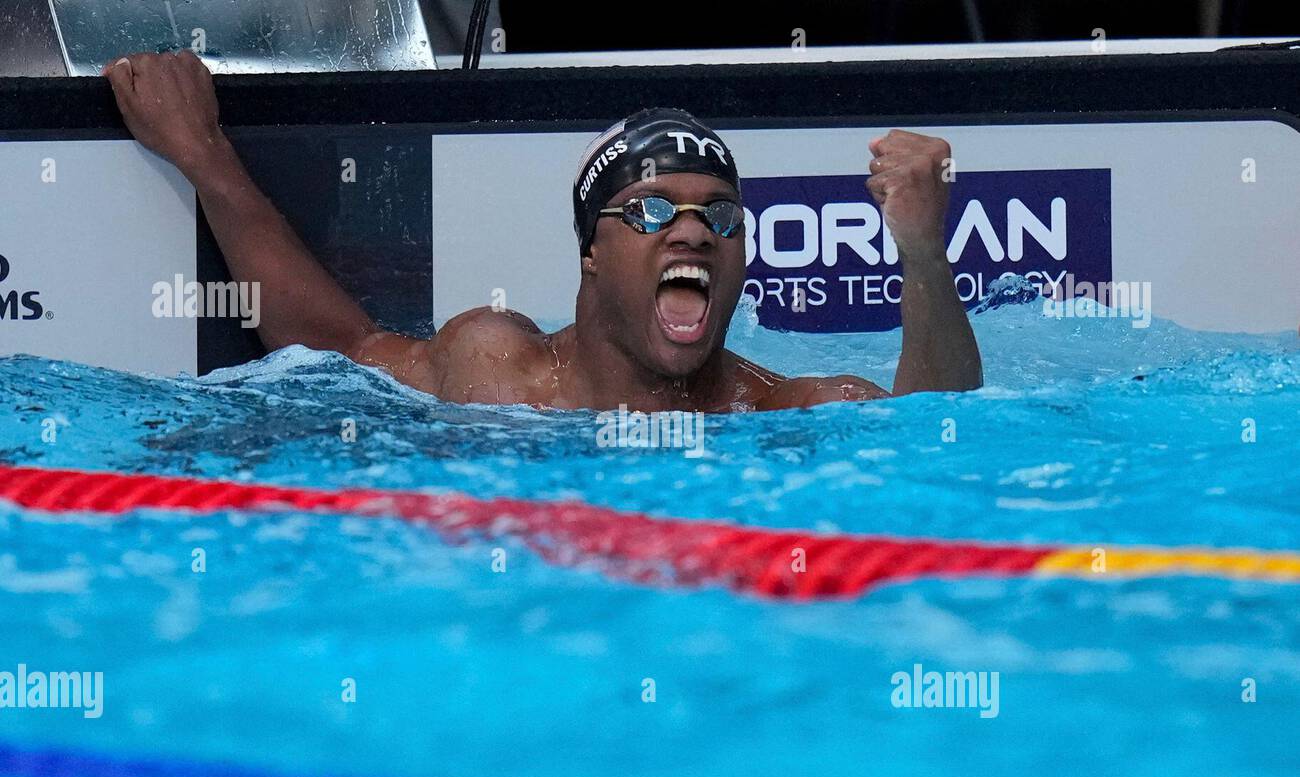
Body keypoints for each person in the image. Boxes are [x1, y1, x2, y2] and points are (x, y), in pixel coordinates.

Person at [103, 51, 982, 412]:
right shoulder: (496, 370)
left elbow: (938, 432)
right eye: (648, 211)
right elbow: (338, 345)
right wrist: (206, 158)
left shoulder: (770, 409)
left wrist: (921, 251)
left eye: (719, 217)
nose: (692, 233)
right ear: (593, 254)